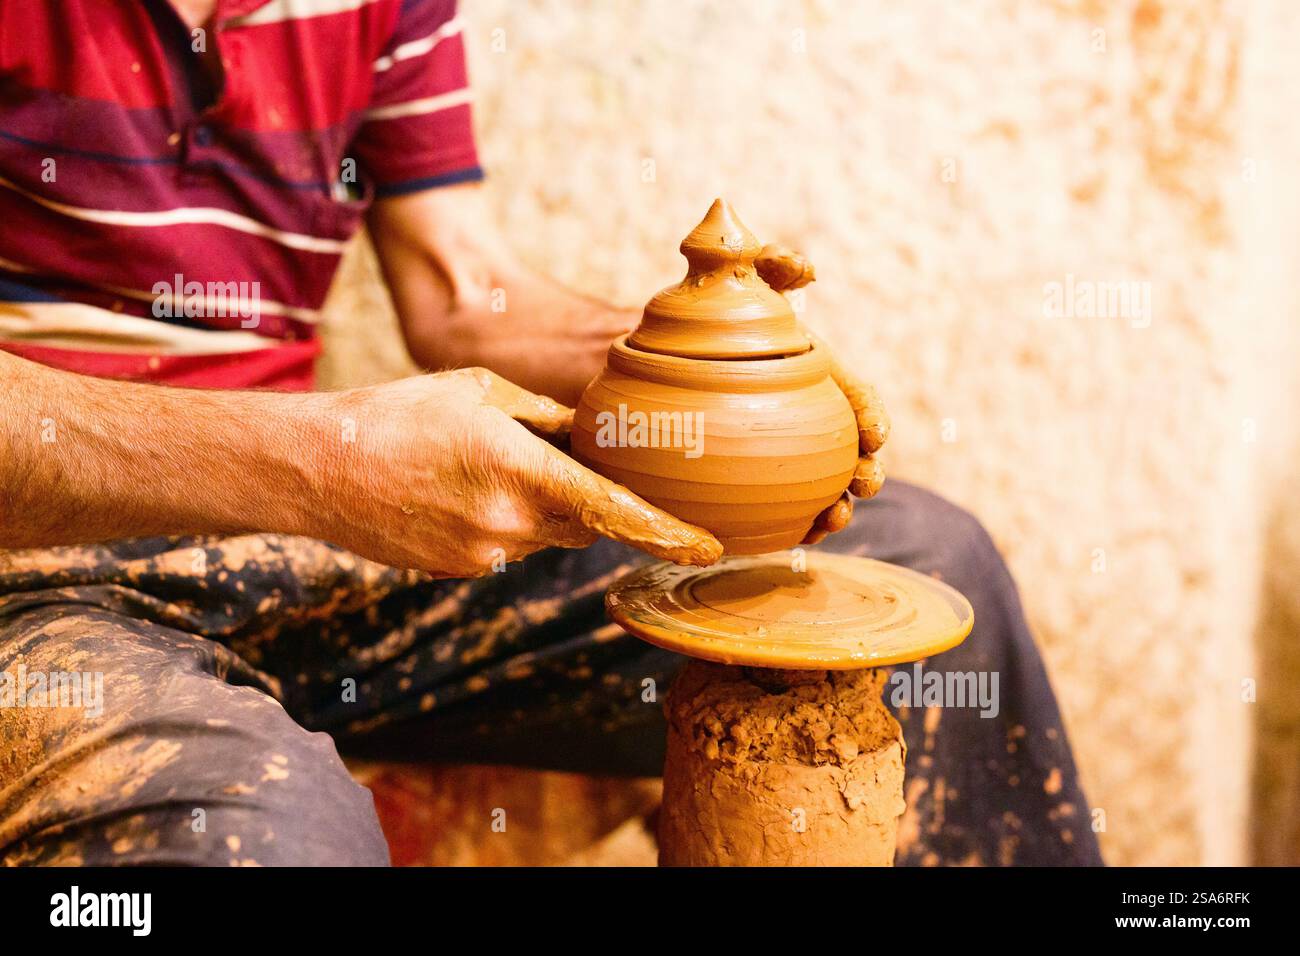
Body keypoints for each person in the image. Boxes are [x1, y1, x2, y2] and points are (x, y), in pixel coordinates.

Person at [0, 0, 1100, 866]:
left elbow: (459, 287)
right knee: (265, 835)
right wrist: (323, 459)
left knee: (920, 567)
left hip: (293, 546)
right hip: (37, 565)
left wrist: (686, 361)